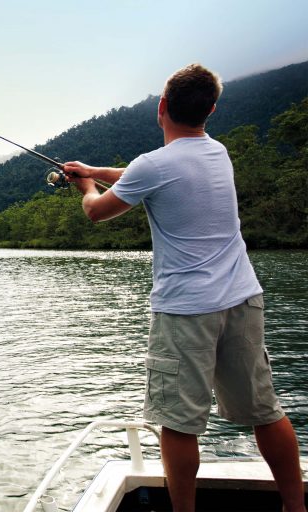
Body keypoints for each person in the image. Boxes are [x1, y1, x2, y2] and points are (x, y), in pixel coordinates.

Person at [63, 63, 306, 512]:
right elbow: (146, 174)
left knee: (178, 423)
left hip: (186, 310)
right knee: (265, 411)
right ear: (210, 111)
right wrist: (95, 169)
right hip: (242, 300)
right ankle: (297, 507)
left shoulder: (153, 165)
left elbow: (97, 212)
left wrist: (84, 186)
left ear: (161, 108)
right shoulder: (218, 153)